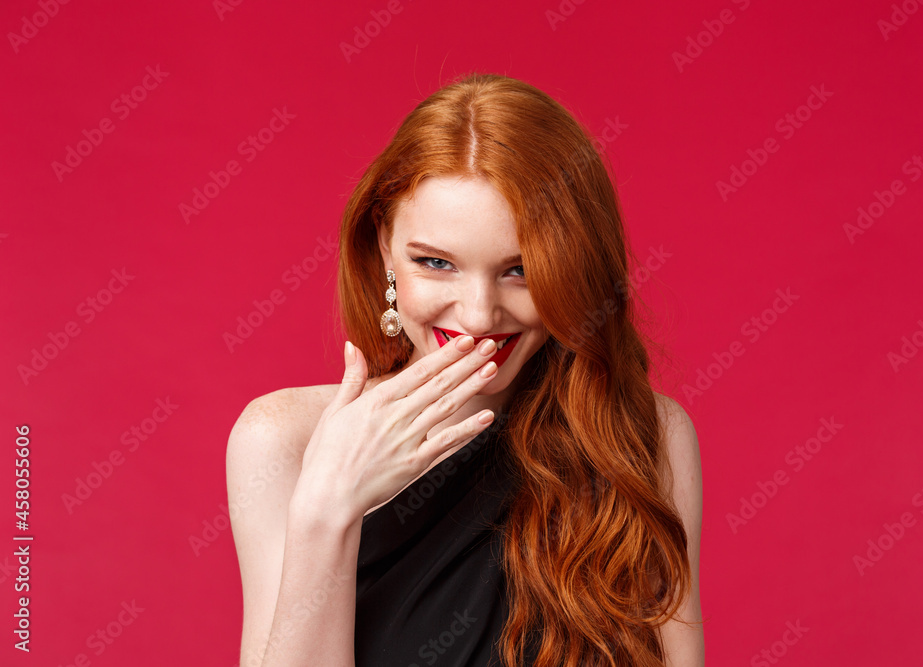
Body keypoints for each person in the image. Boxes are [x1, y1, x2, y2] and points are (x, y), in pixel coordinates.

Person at [227, 72, 705, 667]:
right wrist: (328, 511)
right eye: (436, 263)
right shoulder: (282, 440)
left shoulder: (646, 436)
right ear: (383, 249)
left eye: (521, 271)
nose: (479, 315)